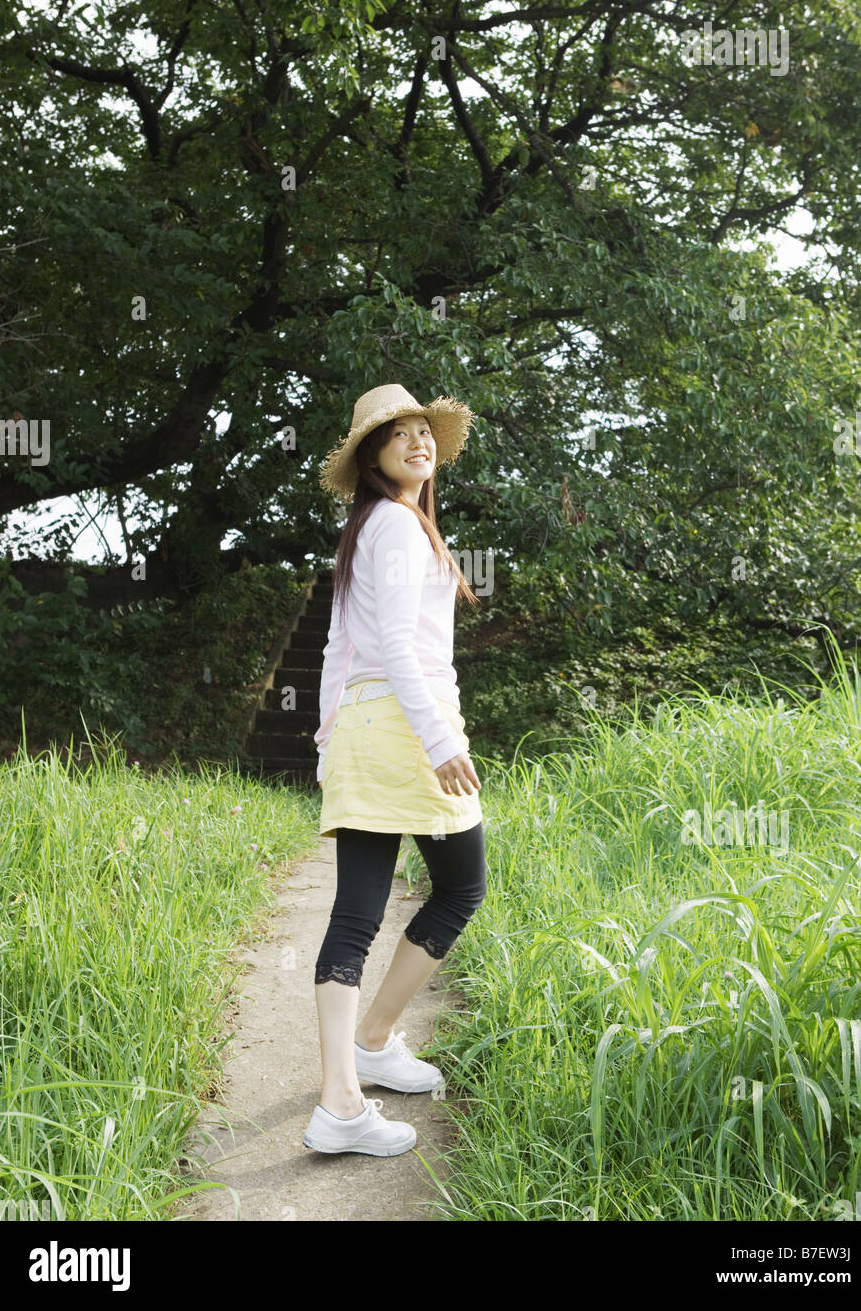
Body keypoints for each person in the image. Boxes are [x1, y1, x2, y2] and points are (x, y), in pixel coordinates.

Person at [303, 383, 487, 1158]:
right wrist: (441, 739)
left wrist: (326, 740)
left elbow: (335, 648)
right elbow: (400, 652)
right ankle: (343, 1100)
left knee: (384, 902)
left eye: (423, 431)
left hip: (370, 725)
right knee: (454, 887)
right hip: (403, 726)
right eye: (398, 434)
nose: (417, 442)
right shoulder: (399, 529)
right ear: (372, 455)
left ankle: (371, 1048)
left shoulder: (377, 528)